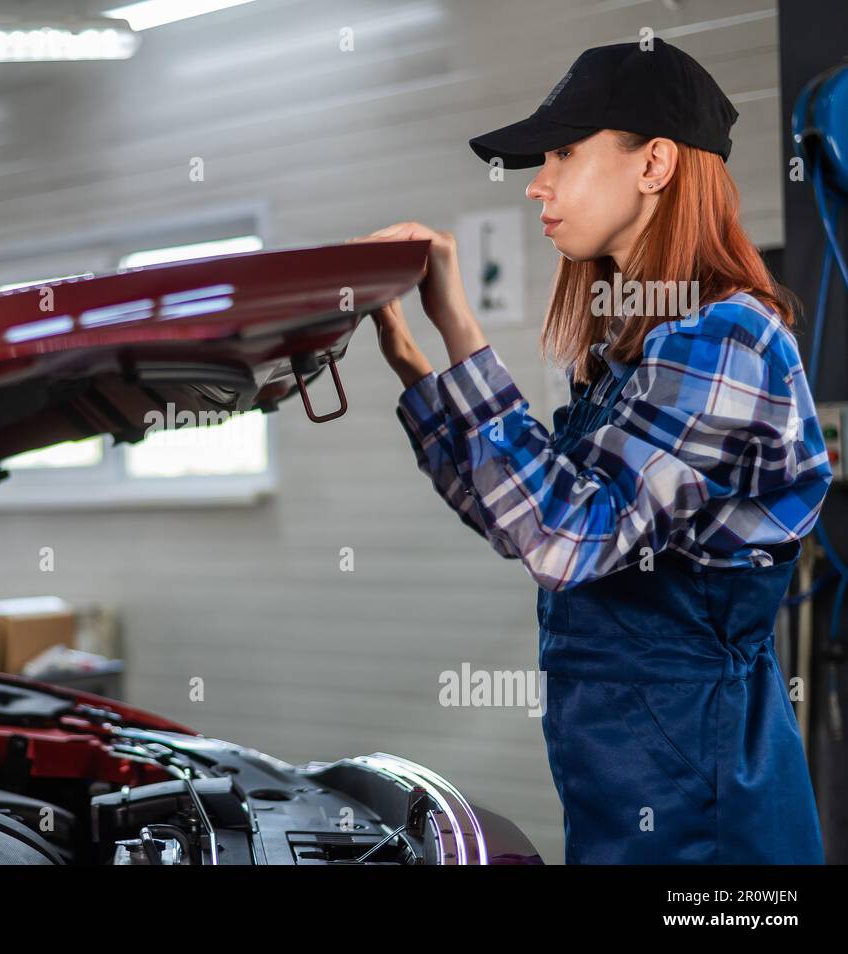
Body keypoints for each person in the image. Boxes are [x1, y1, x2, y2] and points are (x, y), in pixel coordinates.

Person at [356, 39, 828, 864]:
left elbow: (566, 539)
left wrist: (462, 328)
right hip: (623, 786)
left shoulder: (728, 339)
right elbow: (522, 517)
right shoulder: (634, 351)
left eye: (565, 152)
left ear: (654, 165)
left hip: (709, 814)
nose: (538, 181)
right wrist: (415, 365)